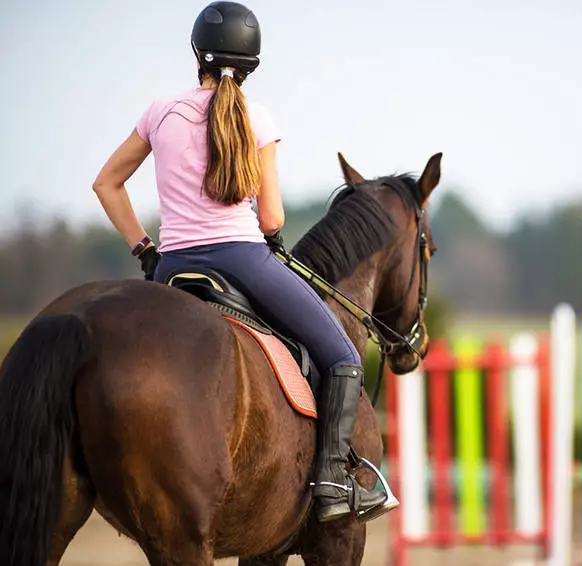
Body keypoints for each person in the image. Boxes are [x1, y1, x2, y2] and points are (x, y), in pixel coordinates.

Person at [91, 1, 391, 523]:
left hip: (171, 269)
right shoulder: (257, 117)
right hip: (242, 259)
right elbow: (271, 218)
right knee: (342, 356)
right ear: (252, 63)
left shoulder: (159, 111)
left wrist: (145, 248)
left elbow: (106, 184)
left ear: (196, 53)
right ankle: (331, 485)